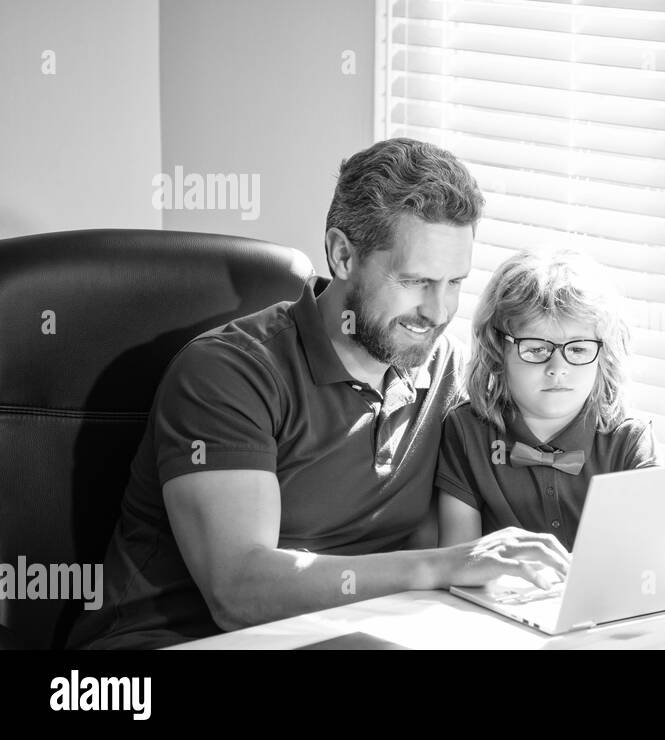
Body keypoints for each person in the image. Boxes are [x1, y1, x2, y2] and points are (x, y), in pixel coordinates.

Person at [68, 138, 569, 649]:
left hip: (347, 635)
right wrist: (443, 566)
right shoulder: (227, 374)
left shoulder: (442, 368)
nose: (438, 312)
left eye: (454, 282)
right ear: (342, 254)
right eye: (415, 281)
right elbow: (238, 592)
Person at [436, 249, 658, 555]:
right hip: (495, 599)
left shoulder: (628, 441)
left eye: (578, 350)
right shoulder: (465, 432)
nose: (557, 368)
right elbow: (458, 561)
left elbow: (646, 556)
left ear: (603, 355)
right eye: (536, 349)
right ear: (497, 351)